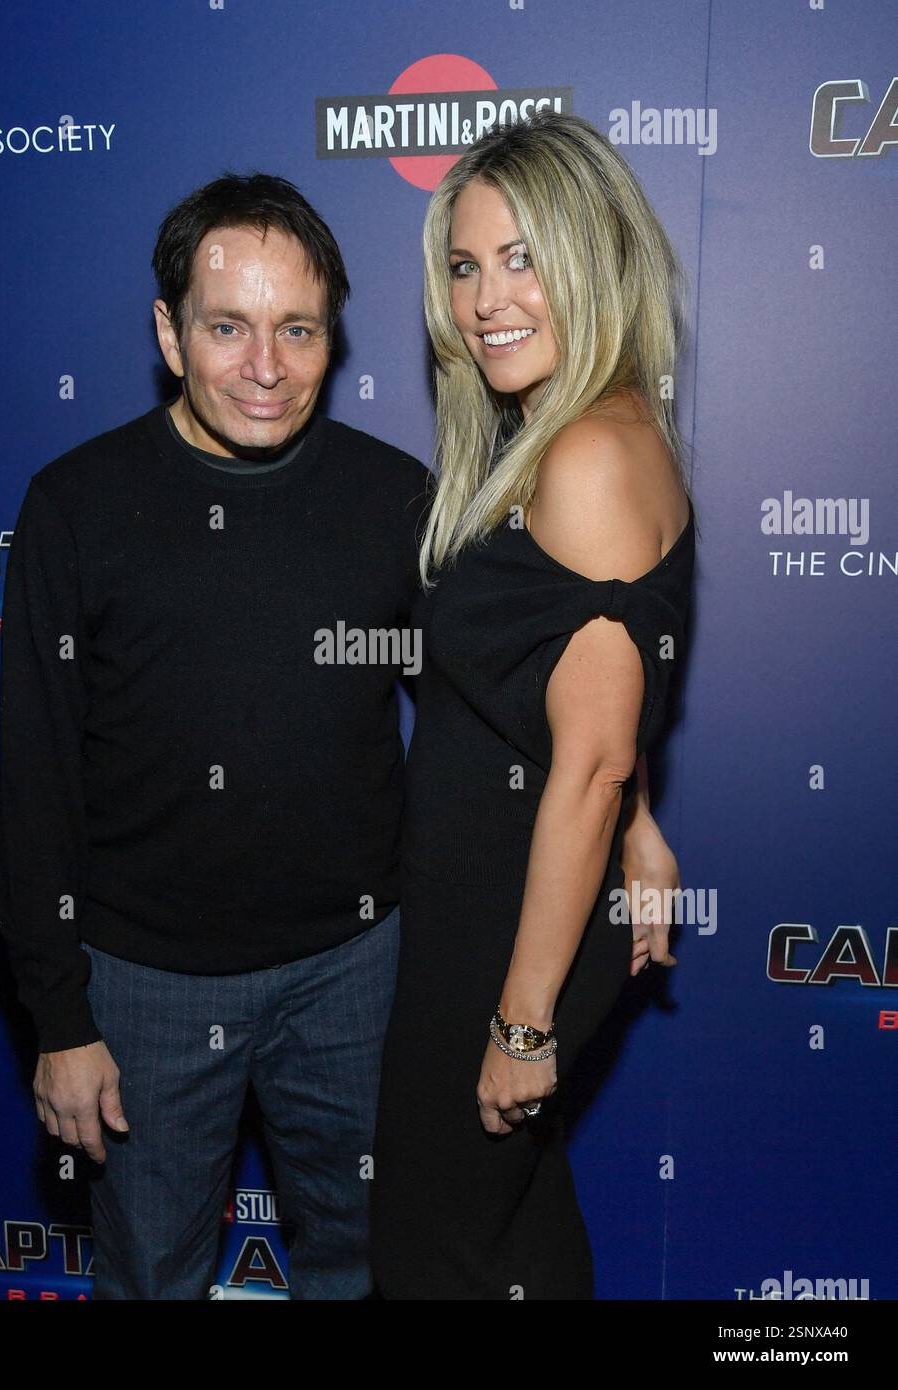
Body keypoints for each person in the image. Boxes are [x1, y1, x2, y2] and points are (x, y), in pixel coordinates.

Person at [0, 173, 432, 1299]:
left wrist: (621, 814)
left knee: (372, 1266)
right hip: (144, 985)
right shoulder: (76, 506)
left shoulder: (396, 498)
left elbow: (497, 713)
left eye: (299, 329)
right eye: (228, 327)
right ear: (168, 331)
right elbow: (35, 777)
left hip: (356, 974)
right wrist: (59, 1016)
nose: (267, 367)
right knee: (151, 1280)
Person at [369, 110, 696, 1300]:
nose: (483, 298)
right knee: (505, 1225)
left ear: (589, 258)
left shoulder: (584, 459)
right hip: (499, 901)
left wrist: (519, 1018)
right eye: (464, 264)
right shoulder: (583, 428)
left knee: (432, 1245)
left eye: (521, 259)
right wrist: (645, 828)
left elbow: (592, 762)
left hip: (510, 935)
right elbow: (604, 673)